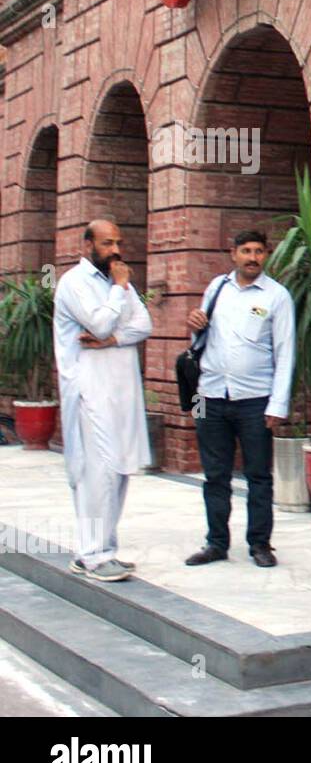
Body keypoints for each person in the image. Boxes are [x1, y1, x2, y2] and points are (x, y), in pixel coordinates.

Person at [183, 230, 295, 569]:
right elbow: (199, 340)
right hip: (210, 396)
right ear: (233, 253)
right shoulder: (217, 288)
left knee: (258, 475)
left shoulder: (278, 296)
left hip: (255, 400)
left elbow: (286, 352)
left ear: (267, 255)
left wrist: (278, 405)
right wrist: (194, 323)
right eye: (245, 250)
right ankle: (215, 543)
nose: (252, 257)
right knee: (214, 474)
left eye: (259, 251)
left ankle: (260, 544)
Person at [53, 219, 154, 581]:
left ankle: (102, 548)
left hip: (122, 390)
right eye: (107, 243)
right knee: (98, 472)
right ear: (86, 246)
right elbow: (97, 323)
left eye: (118, 243)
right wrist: (119, 292)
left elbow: (144, 325)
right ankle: (93, 555)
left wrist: (113, 339)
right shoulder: (73, 283)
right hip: (89, 390)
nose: (115, 250)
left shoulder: (119, 284)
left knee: (120, 470)